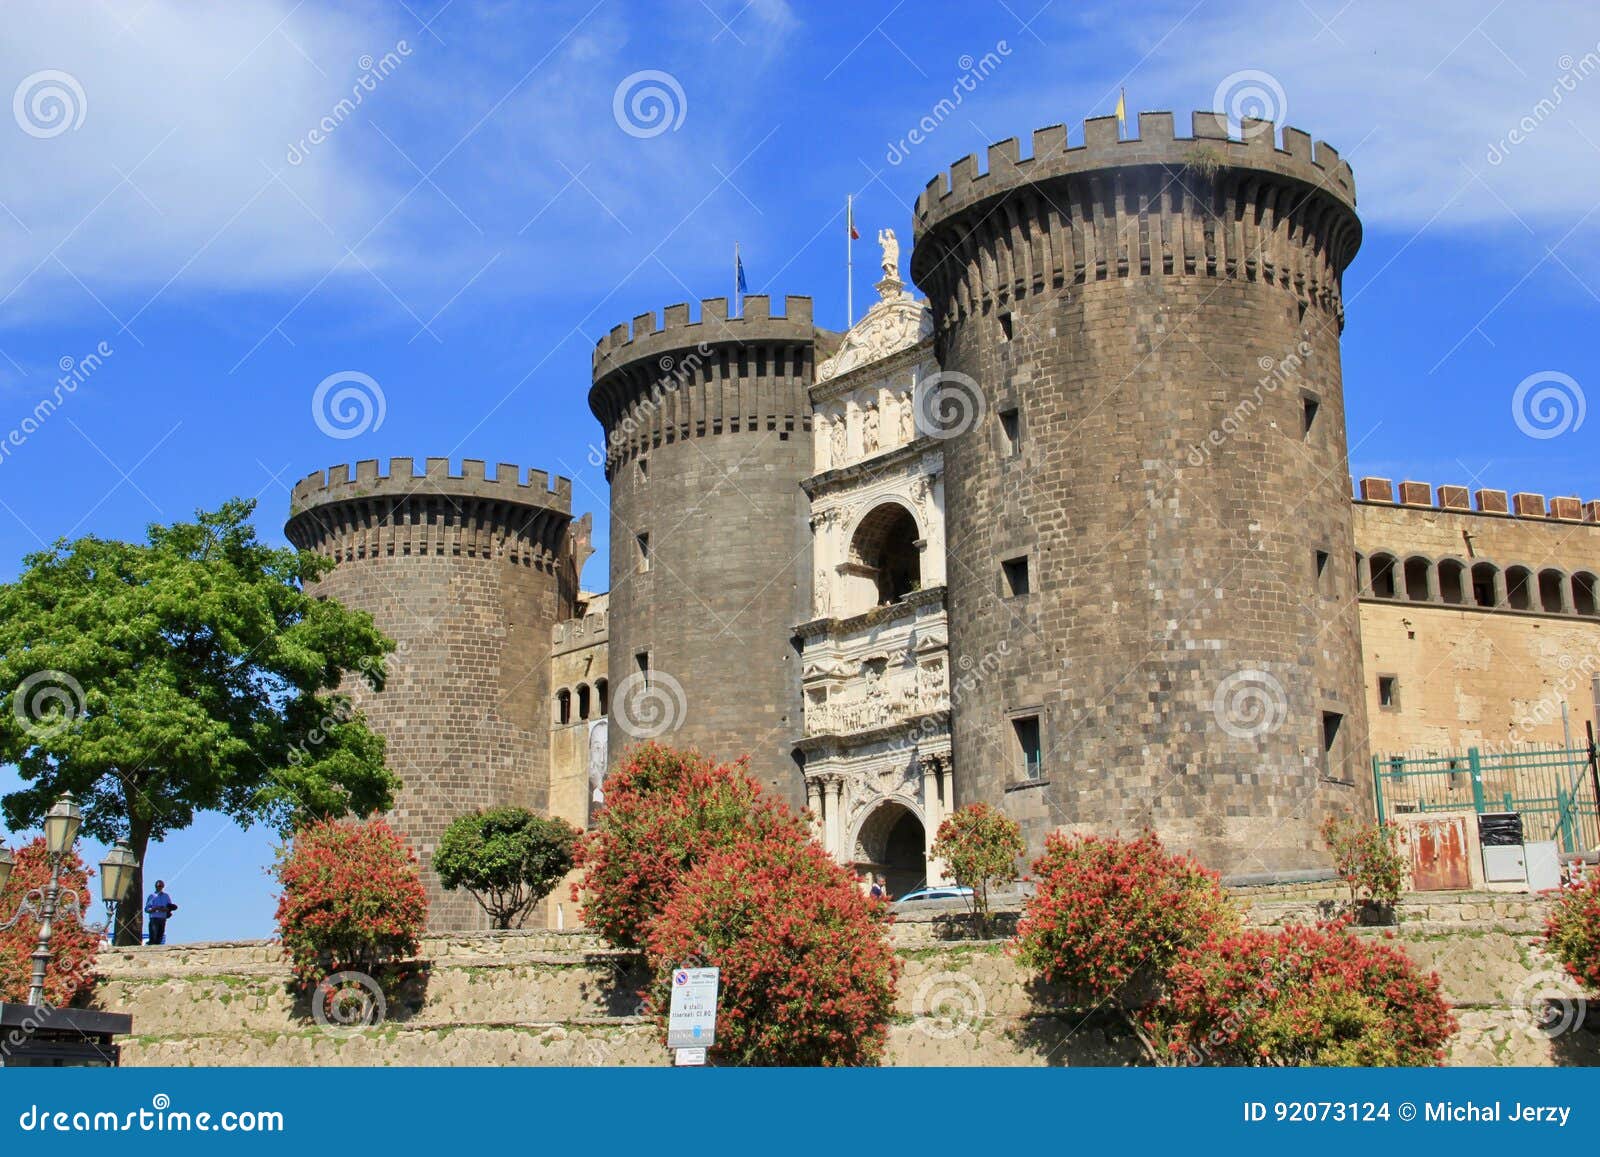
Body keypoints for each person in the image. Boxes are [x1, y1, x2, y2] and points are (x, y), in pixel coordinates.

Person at [144, 881, 177, 945]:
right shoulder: (151, 896)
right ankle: (151, 945)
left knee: (160, 935)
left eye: (161, 886)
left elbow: (169, 906)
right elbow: (146, 909)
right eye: (158, 886)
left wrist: (165, 909)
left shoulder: (166, 896)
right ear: (155, 886)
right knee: (153, 935)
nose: (159, 887)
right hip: (154, 917)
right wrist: (155, 908)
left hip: (162, 918)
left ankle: (157, 947)